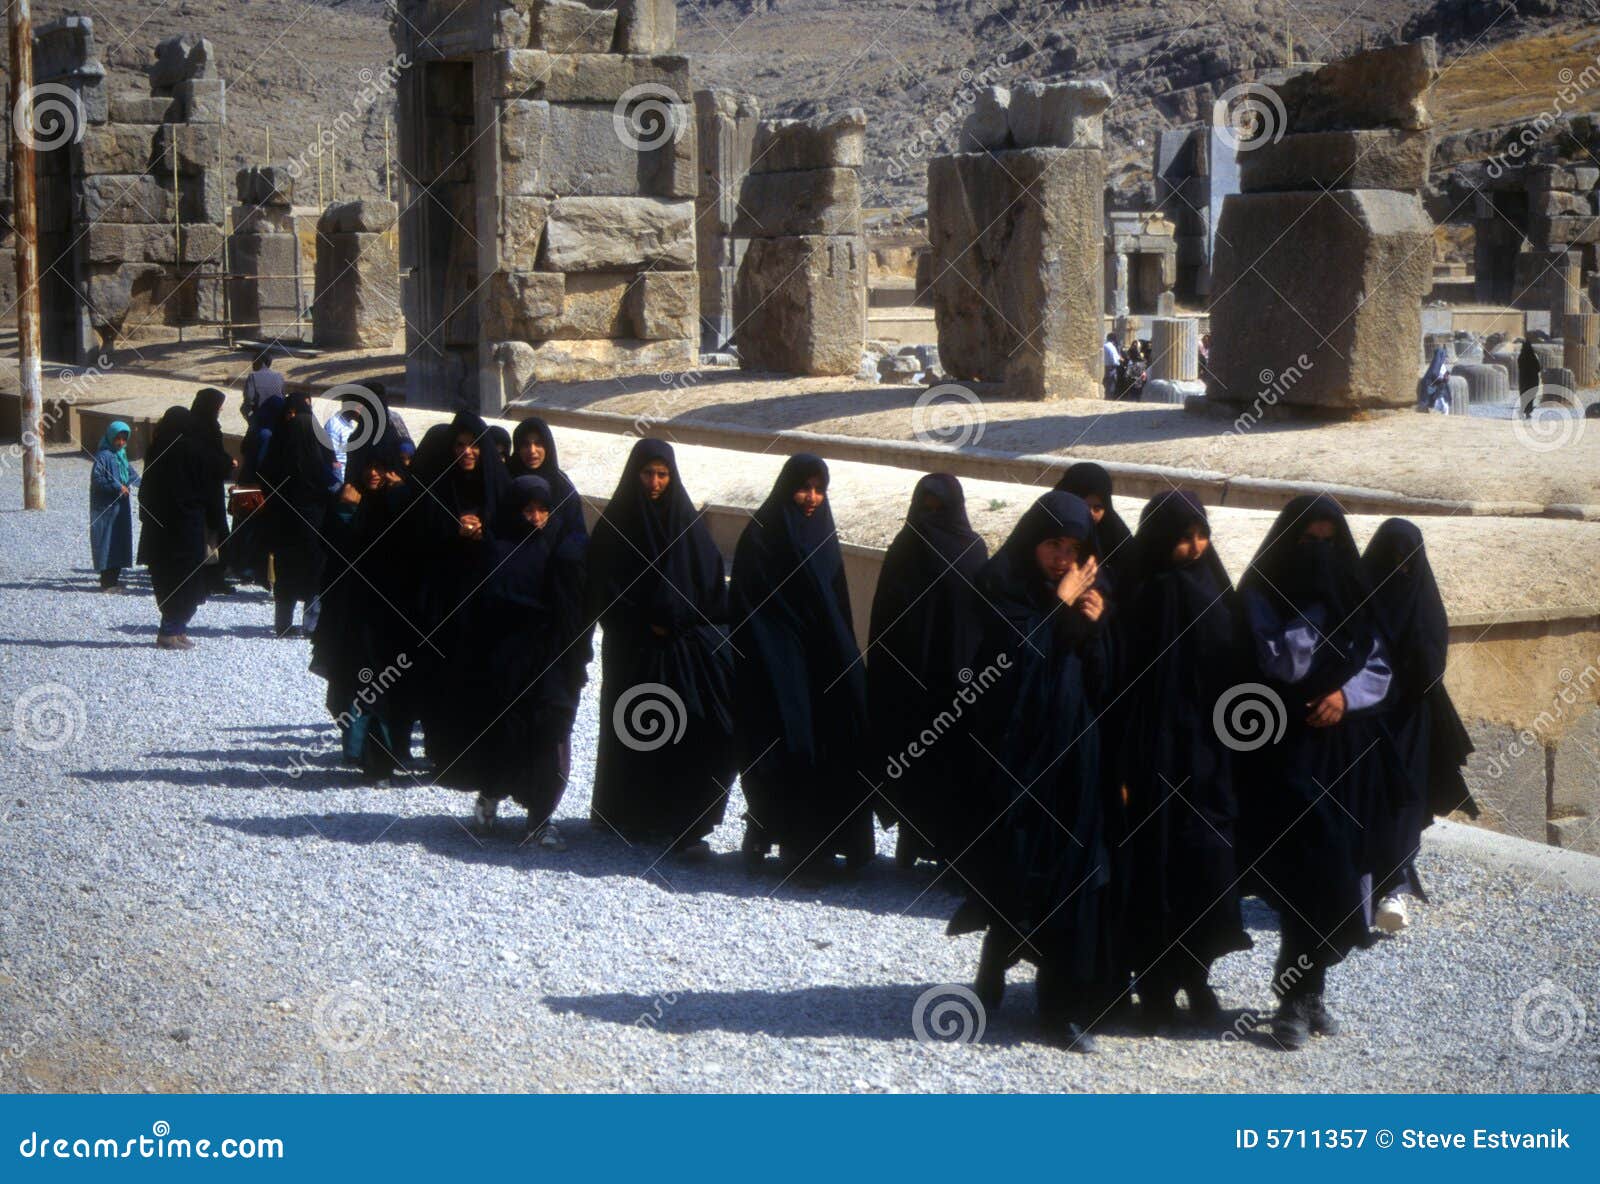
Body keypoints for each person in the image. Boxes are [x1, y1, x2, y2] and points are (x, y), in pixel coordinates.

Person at [946, 491, 1112, 1052]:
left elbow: (1102, 680)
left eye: (1073, 548)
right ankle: (996, 962)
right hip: (1016, 759)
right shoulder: (1001, 588)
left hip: (1074, 756)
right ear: (1030, 542)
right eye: (1052, 544)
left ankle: (1060, 1007)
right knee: (1016, 869)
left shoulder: (1084, 594)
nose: (1063, 558)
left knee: (1074, 875)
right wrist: (1055, 608)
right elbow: (1002, 671)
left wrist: (1095, 628)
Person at [1236, 494, 1394, 1050]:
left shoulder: (1358, 593)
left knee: (1339, 872)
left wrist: (1345, 698)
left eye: (1330, 544)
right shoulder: (1260, 594)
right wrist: (1313, 613)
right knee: (1306, 874)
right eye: (1309, 543)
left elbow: (1380, 666)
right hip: (1286, 753)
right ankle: (1293, 1001)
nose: (1321, 555)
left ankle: (1307, 992)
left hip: (1346, 755)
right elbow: (1284, 663)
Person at [1117, 491, 1252, 1027]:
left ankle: (1195, 974)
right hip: (1154, 758)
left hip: (1208, 758)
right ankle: (1154, 987)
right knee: (1157, 870)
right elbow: (1123, 682)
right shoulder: (1141, 592)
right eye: (1182, 536)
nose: (1194, 547)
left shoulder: (1213, 586)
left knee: (1207, 867)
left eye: (1201, 534)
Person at [587, 439, 736, 858]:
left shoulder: (686, 525)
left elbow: (709, 589)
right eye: (648, 473)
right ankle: (628, 813)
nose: (654, 482)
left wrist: (682, 620)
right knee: (635, 728)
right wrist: (642, 619)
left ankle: (679, 818)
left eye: (662, 474)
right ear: (634, 475)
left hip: (681, 650)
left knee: (686, 731)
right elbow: (603, 591)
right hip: (635, 650)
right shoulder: (616, 527)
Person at [730, 454, 873, 874]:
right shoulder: (761, 536)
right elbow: (746, 607)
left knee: (831, 745)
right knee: (781, 748)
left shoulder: (822, 534)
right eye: (803, 487)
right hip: (773, 666)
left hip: (822, 662)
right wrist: (774, 657)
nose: (811, 497)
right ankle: (776, 833)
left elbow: (836, 606)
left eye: (818, 488)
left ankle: (823, 840)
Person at [431, 474, 591, 847]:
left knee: (551, 734)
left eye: (542, 510)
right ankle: (490, 795)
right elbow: (477, 606)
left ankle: (542, 817)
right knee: (503, 736)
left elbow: (573, 613)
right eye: (528, 510)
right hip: (504, 662)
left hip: (549, 662)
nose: (535, 518)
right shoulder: (495, 550)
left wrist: (575, 657)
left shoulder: (561, 553)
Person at [866, 473, 989, 871]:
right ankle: (910, 840)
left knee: (952, 767)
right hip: (912, 682)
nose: (931, 516)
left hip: (957, 683)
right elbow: (885, 621)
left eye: (940, 508)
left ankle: (948, 851)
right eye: (926, 507)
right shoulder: (905, 548)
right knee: (914, 763)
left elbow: (979, 620)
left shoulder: (972, 551)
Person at [1361, 518, 1478, 932]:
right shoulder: (1359, 598)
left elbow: (1430, 664)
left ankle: (1391, 890)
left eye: (1406, 564)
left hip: (1412, 720)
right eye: (1390, 562)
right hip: (1363, 720)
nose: (1399, 571)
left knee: (1404, 805)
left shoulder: (1423, 604)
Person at [137, 407, 230, 649]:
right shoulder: (192, 449)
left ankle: (175, 630)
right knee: (186, 581)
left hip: (159, 531)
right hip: (186, 528)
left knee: (167, 580)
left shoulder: (156, 448)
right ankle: (170, 632)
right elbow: (215, 474)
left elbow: (145, 493)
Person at [258, 392, 336, 637]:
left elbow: (265, 477)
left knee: (286, 573)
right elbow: (330, 483)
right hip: (313, 523)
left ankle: (283, 624)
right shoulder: (317, 461)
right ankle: (311, 625)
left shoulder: (278, 452)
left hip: (283, 524)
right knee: (314, 572)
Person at [188, 388, 237, 595]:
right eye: (218, 405)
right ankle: (212, 580)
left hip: (198, 489)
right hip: (208, 490)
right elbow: (212, 458)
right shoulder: (208, 429)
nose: (221, 409)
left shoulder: (192, 426)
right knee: (212, 535)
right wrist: (228, 463)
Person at [509, 417, 586, 542]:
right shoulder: (507, 478)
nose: (532, 451)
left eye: (538, 443)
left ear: (548, 447)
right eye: (525, 444)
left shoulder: (562, 485)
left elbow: (576, 532)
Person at [1054, 462, 1134, 581]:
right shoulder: (1046, 531)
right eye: (1082, 506)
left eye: (1097, 508)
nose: (1090, 514)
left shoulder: (1118, 541)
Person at [89, 421, 138, 591]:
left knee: (120, 541)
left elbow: (132, 476)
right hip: (106, 508)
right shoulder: (103, 456)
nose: (121, 443)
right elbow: (97, 480)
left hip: (120, 507)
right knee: (107, 541)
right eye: (118, 439)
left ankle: (114, 580)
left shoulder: (121, 455)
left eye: (124, 439)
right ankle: (107, 582)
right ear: (111, 438)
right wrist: (117, 487)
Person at [241, 350, 284, 422]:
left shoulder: (253, 376)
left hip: (260, 415)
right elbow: (282, 396)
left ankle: (252, 428)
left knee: (243, 408)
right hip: (277, 414)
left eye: (254, 361)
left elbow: (248, 398)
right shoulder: (279, 376)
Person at [1419, 345, 1453, 414]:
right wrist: (1443, 379)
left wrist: (1446, 376)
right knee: (1442, 406)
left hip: (1440, 389)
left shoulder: (1440, 365)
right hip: (1436, 389)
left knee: (1444, 406)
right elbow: (1434, 376)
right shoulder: (1436, 365)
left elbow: (1443, 374)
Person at [1517, 338, 1542, 418]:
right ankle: (1528, 412)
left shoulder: (1521, 356)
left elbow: (1519, 366)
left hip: (1523, 379)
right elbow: (1538, 368)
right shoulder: (1533, 356)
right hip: (1532, 379)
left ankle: (1523, 410)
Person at [1102, 334, 1122, 400]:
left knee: (1106, 384)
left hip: (1105, 367)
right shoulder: (1112, 347)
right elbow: (1115, 360)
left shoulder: (1104, 346)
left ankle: (1106, 397)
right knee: (1111, 384)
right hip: (1112, 368)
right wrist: (1119, 362)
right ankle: (1109, 398)